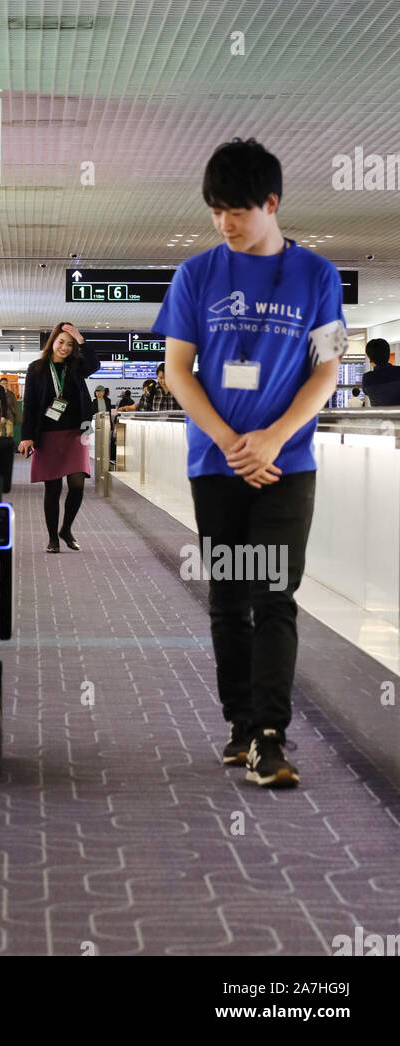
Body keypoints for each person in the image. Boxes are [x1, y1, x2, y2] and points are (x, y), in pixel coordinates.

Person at [154, 138, 346, 788]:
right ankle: (239, 726)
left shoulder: (317, 276)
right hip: (215, 465)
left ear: (270, 203)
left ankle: (269, 735)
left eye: (235, 209)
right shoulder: (196, 275)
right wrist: (233, 442)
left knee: (274, 596)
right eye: (214, 210)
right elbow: (176, 371)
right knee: (229, 600)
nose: (223, 223)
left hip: (285, 468)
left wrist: (272, 438)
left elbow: (326, 370)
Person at [18, 323, 95, 553]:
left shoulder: (77, 367)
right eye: (61, 342)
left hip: (75, 434)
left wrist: (80, 338)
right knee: (52, 490)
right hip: (48, 435)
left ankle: (66, 529)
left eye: (69, 344)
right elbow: (29, 405)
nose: (64, 348)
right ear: (52, 342)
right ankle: (53, 538)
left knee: (77, 485)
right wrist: (27, 437)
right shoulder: (37, 368)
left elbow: (95, 364)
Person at [361, 338, 400, 407]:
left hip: (380, 416)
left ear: (370, 359)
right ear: (388, 355)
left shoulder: (368, 378)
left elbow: (366, 392)